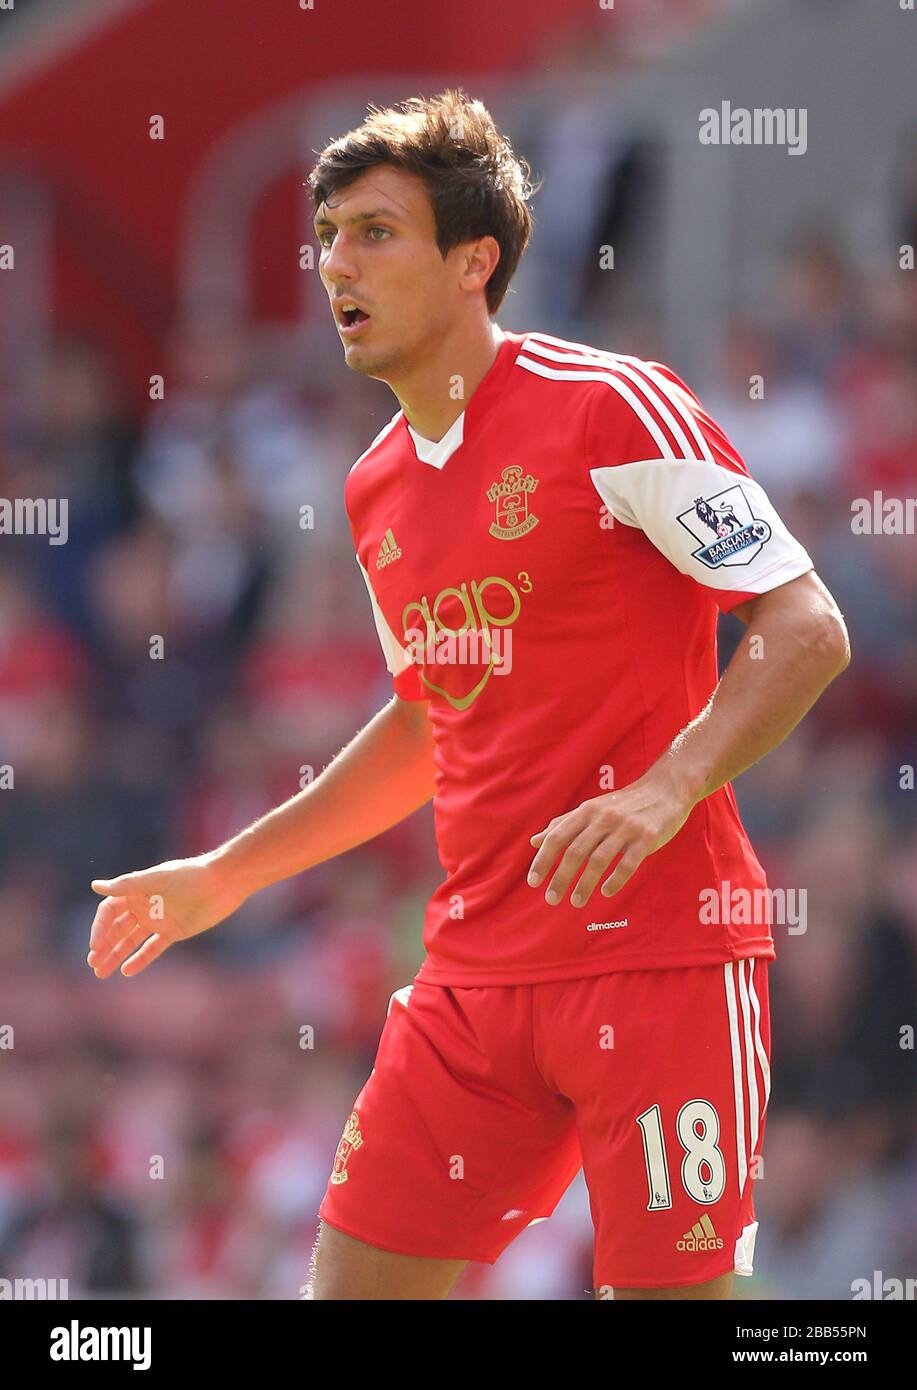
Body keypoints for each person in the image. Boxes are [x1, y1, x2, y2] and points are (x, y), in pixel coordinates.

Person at [88, 90, 850, 1301]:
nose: (337, 261)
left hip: (657, 959)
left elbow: (806, 626)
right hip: (473, 980)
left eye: (376, 232)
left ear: (471, 261)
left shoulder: (611, 404)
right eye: (328, 233)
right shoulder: (374, 486)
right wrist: (228, 874)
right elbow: (425, 723)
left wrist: (667, 788)